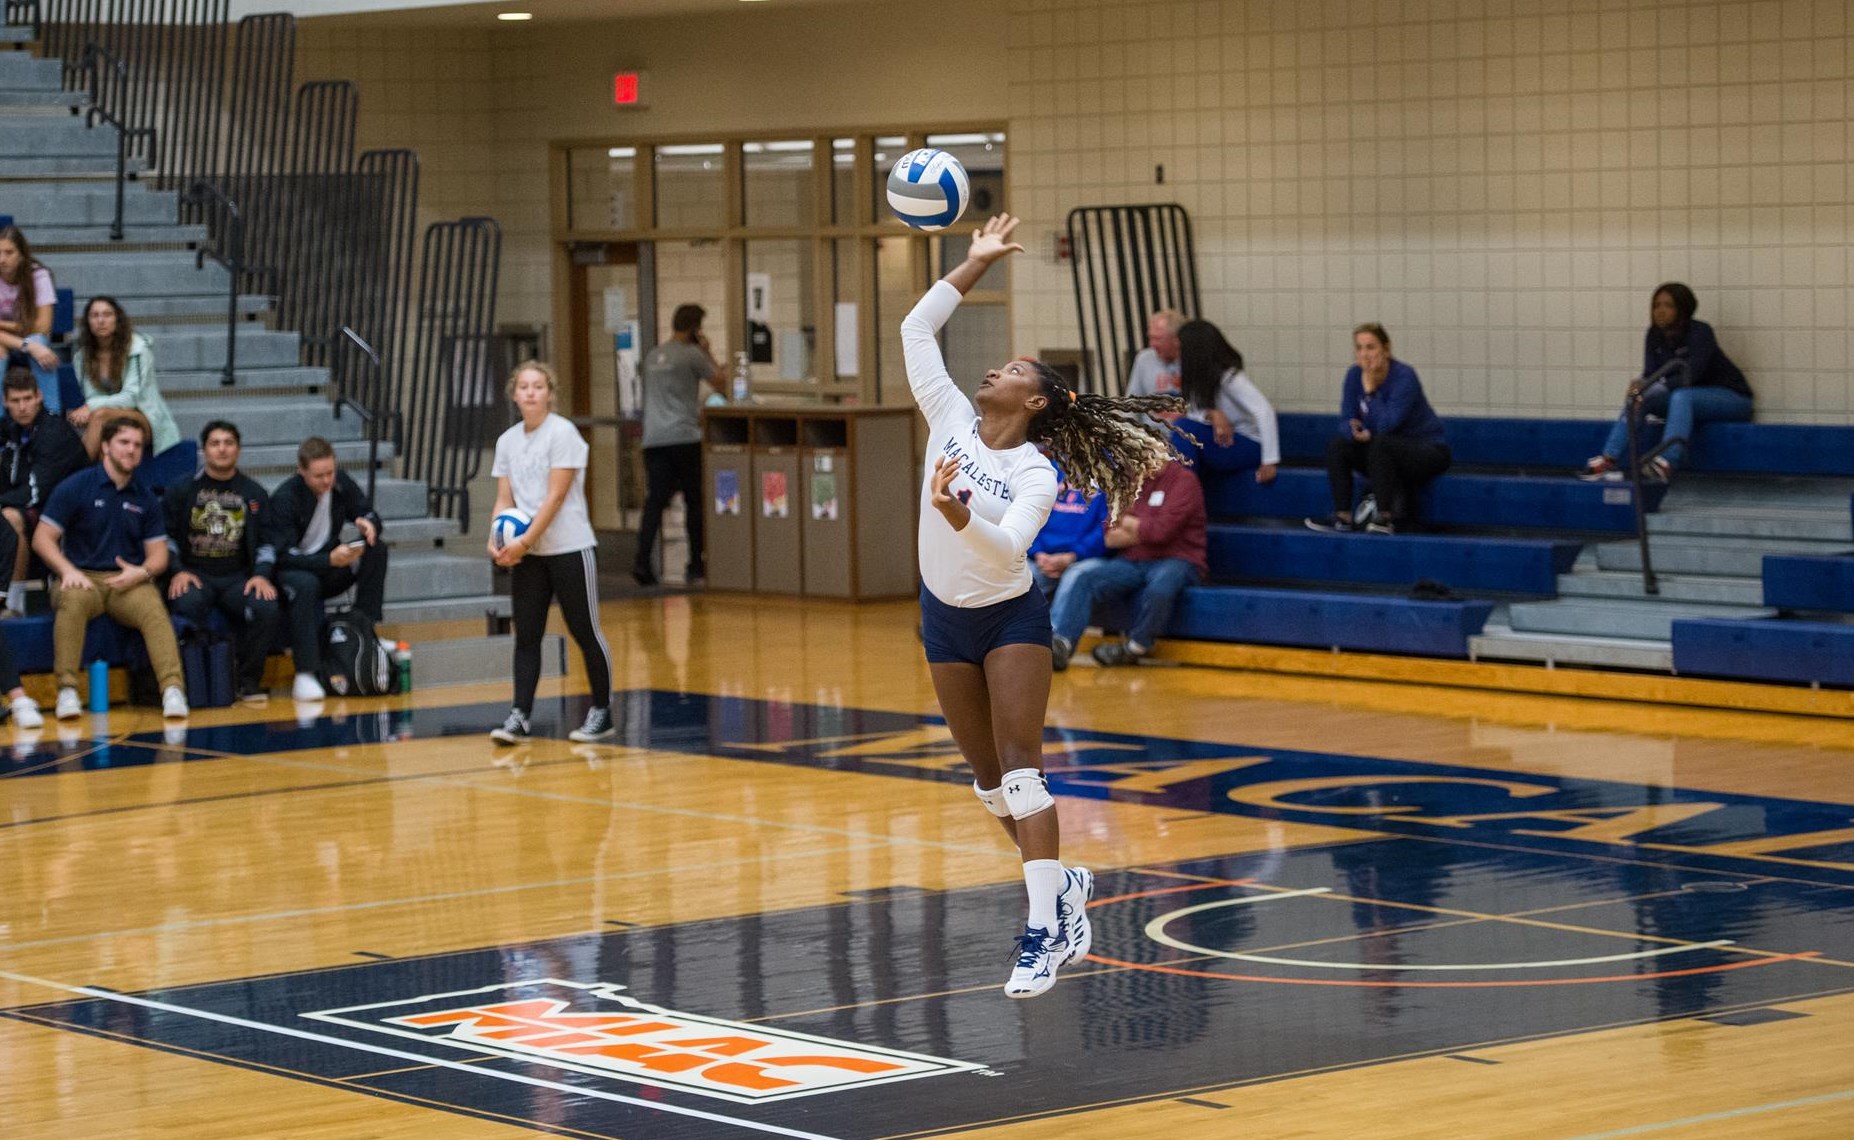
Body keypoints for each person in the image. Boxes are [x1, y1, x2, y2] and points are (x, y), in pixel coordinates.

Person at [904, 213, 1181, 998]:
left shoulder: (1034, 473)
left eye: (1014, 369)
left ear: (1037, 402)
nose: (995, 371)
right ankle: (1060, 886)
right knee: (987, 782)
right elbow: (915, 330)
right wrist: (974, 265)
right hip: (941, 615)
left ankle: (1042, 935)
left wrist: (963, 515)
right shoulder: (951, 419)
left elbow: (1013, 549)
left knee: (1024, 774)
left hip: (1009, 619)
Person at [486, 360, 616, 746]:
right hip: (530, 557)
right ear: (514, 394)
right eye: (523, 386)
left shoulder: (564, 434)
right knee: (526, 635)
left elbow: (556, 496)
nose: (530, 392)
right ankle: (520, 715)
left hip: (569, 547)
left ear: (549, 393)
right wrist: (496, 539)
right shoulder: (507, 441)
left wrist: (523, 542)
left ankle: (602, 711)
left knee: (585, 630)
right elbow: (504, 500)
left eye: (538, 386)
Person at [32, 417, 189, 720]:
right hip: (83, 578)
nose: (131, 450)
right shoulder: (76, 486)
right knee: (72, 600)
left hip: (126, 581)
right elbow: (42, 538)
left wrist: (141, 573)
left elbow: (158, 557)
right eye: (124, 443)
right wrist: (67, 571)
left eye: (138, 445)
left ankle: (172, 691)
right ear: (105, 446)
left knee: (154, 608)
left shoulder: (145, 498)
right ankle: (66, 691)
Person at [1582, 283, 1753, 484]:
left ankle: (1667, 462)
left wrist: (1655, 384)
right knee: (1639, 397)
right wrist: (1640, 387)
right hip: (1683, 398)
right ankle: (1609, 458)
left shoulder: (1700, 332)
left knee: (1681, 395)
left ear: (1682, 309)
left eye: (1668, 306)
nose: (1660, 311)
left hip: (1730, 398)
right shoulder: (1654, 335)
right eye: (1656, 306)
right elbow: (1650, 374)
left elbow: (1691, 376)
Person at [1048, 457, 1207, 670]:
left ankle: (1136, 647)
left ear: (1166, 451)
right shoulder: (1130, 480)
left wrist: (1131, 523)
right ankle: (1062, 643)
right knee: (1083, 575)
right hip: (1132, 560)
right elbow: (1109, 534)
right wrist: (1144, 529)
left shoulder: (1183, 481)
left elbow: (1162, 532)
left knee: (1161, 586)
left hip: (1177, 558)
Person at [163, 420, 279, 705]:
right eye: (215, 443)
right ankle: (194, 683)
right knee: (185, 602)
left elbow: (267, 542)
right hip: (194, 575)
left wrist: (262, 575)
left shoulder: (254, 493)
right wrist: (176, 571)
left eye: (228, 443)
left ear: (238, 450)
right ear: (204, 451)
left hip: (238, 578)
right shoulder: (181, 489)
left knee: (265, 607)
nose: (222, 449)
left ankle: (248, 682)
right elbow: (164, 538)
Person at [267, 437, 388, 702]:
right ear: (301, 471)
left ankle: (364, 628)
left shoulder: (340, 482)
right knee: (305, 583)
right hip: (294, 571)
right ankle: (306, 672)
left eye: (330, 473)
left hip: (330, 564)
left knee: (376, 549)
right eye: (318, 476)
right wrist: (328, 561)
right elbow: (283, 555)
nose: (326, 481)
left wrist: (368, 525)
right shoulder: (285, 498)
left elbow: (368, 512)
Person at [1305, 323, 1450, 535]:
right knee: (1338, 445)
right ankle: (1342, 517)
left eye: (1371, 347)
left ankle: (1384, 518)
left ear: (1386, 349)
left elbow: (1388, 424)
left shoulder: (1404, 376)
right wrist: (1352, 431)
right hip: (1381, 452)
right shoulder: (1354, 375)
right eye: (1359, 348)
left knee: (1382, 444)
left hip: (1426, 451)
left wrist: (1371, 391)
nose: (1365, 355)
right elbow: (1346, 418)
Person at [633, 303, 724, 587]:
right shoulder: (692, 355)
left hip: (653, 439)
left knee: (654, 502)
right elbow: (723, 385)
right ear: (696, 328)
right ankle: (695, 565)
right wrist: (708, 351)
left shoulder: (652, 356)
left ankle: (642, 562)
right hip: (684, 438)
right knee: (694, 501)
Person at [0, 365, 88, 617]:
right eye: (15, 401)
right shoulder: (11, 428)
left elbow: (35, 491)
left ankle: (11, 605)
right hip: (39, 508)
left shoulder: (54, 432)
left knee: (9, 519)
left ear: (39, 396)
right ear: (6, 402)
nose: (23, 406)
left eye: (28, 398)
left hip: (70, 516)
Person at [67, 297, 179, 459]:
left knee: (99, 417)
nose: (101, 320)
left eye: (107, 314)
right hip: (108, 417)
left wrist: (90, 407)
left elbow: (131, 398)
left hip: (144, 416)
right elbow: (93, 396)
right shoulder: (82, 357)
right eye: (95, 315)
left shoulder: (138, 349)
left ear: (117, 319)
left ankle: (78, 476)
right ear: (88, 322)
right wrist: (87, 410)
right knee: (99, 429)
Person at [1173, 319, 1280, 482]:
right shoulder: (1197, 378)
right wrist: (1212, 415)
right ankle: (1183, 492)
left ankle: (1181, 494)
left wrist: (1270, 461)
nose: (1178, 353)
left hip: (1249, 444)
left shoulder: (1230, 377)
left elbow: (1264, 411)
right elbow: (1194, 413)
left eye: (1181, 348)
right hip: (1222, 441)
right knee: (1182, 431)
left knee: (1183, 429)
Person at [0, 225, 62, 414]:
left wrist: (4, 326)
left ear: (21, 254)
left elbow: (43, 326)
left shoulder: (38, 275)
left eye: (9, 252)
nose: (2, 259)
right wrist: (28, 344)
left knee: (39, 341)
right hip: (7, 343)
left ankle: (52, 416)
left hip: (30, 340)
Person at [1028, 466, 1108, 601]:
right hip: (1039, 556)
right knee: (1008, 574)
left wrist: (1072, 556)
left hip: (1083, 558)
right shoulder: (1050, 467)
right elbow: (1030, 514)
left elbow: (1108, 527)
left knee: (1076, 577)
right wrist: (1037, 552)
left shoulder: (1112, 470)